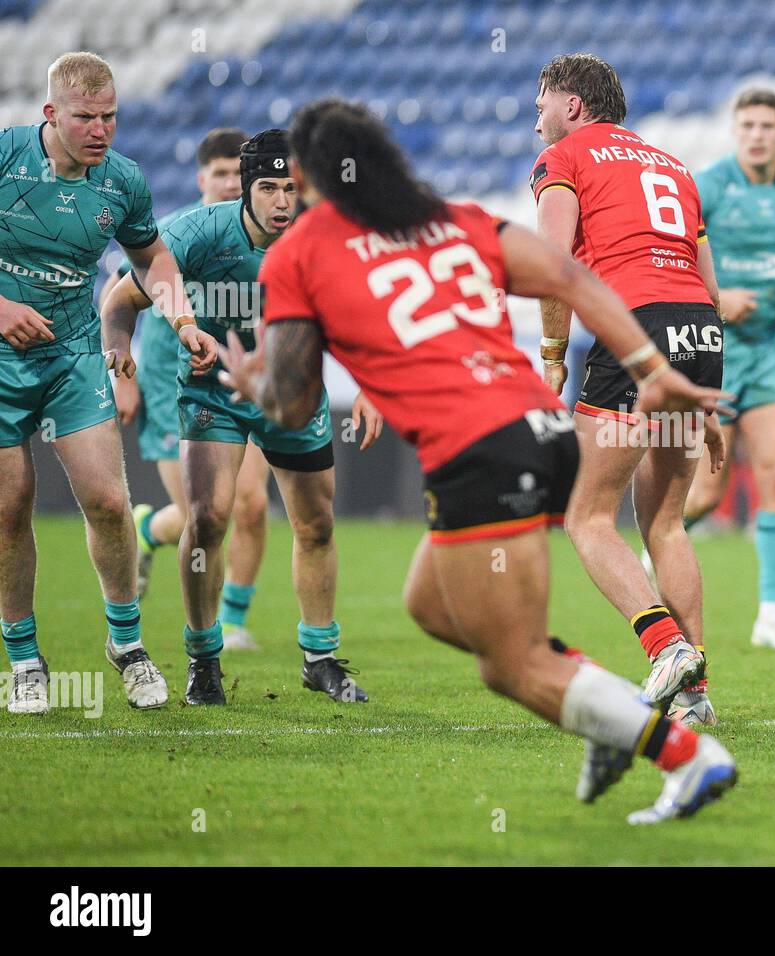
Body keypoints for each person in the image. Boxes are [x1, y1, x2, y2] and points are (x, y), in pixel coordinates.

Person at [218, 98, 737, 823]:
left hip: (478, 453)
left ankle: (685, 757)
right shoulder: (456, 219)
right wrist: (651, 366)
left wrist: (254, 385)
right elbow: (570, 276)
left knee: (512, 663)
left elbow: (291, 403)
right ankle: (610, 710)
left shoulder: (300, 254)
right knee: (429, 604)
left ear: (306, 176)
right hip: (543, 432)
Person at [101, 129, 383, 706]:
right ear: (246, 190)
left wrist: (374, 386)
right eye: (270, 188)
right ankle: (204, 662)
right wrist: (119, 356)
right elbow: (118, 301)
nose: (283, 201)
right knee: (207, 518)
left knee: (316, 524)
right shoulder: (198, 233)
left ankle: (319, 658)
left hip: (291, 396)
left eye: (291, 188)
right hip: (214, 393)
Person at [529, 54, 727, 726]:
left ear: (574, 105)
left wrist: (553, 356)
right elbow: (708, 284)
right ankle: (695, 695)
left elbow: (553, 266)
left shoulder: (565, 158)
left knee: (586, 516)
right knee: (666, 523)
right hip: (700, 335)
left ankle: (665, 646)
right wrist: (705, 384)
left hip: (634, 333)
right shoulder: (673, 165)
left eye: (542, 104)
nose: (537, 122)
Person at [0, 52, 190, 714]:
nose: (101, 129)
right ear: (52, 113)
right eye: (86, 117)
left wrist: (182, 314)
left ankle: (128, 646)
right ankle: (24, 659)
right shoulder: (4, 158)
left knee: (110, 500)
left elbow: (153, 255)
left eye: (111, 116)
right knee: (10, 501)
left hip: (74, 355)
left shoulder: (122, 182)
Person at [100, 128, 271, 650]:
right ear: (202, 179)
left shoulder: (268, 235)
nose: (225, 184)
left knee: (251, 504)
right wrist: (121, 376)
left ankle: (233, 620)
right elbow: (119, 297)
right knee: (206, 515)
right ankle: (161, 549)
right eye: (216, 174)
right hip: (177, 389)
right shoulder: (176, 233)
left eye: (233, 175)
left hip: (248, 385)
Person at [676, 88, 775, 650]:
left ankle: (772, 615)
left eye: (767, 125)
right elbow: (676, 256)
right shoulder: (708, 186)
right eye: (747, 125)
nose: (756, 134)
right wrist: (719, 297)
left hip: (769, 352)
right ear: (735, 131)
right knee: (708, 496)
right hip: (714, 351)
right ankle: (655, 544)